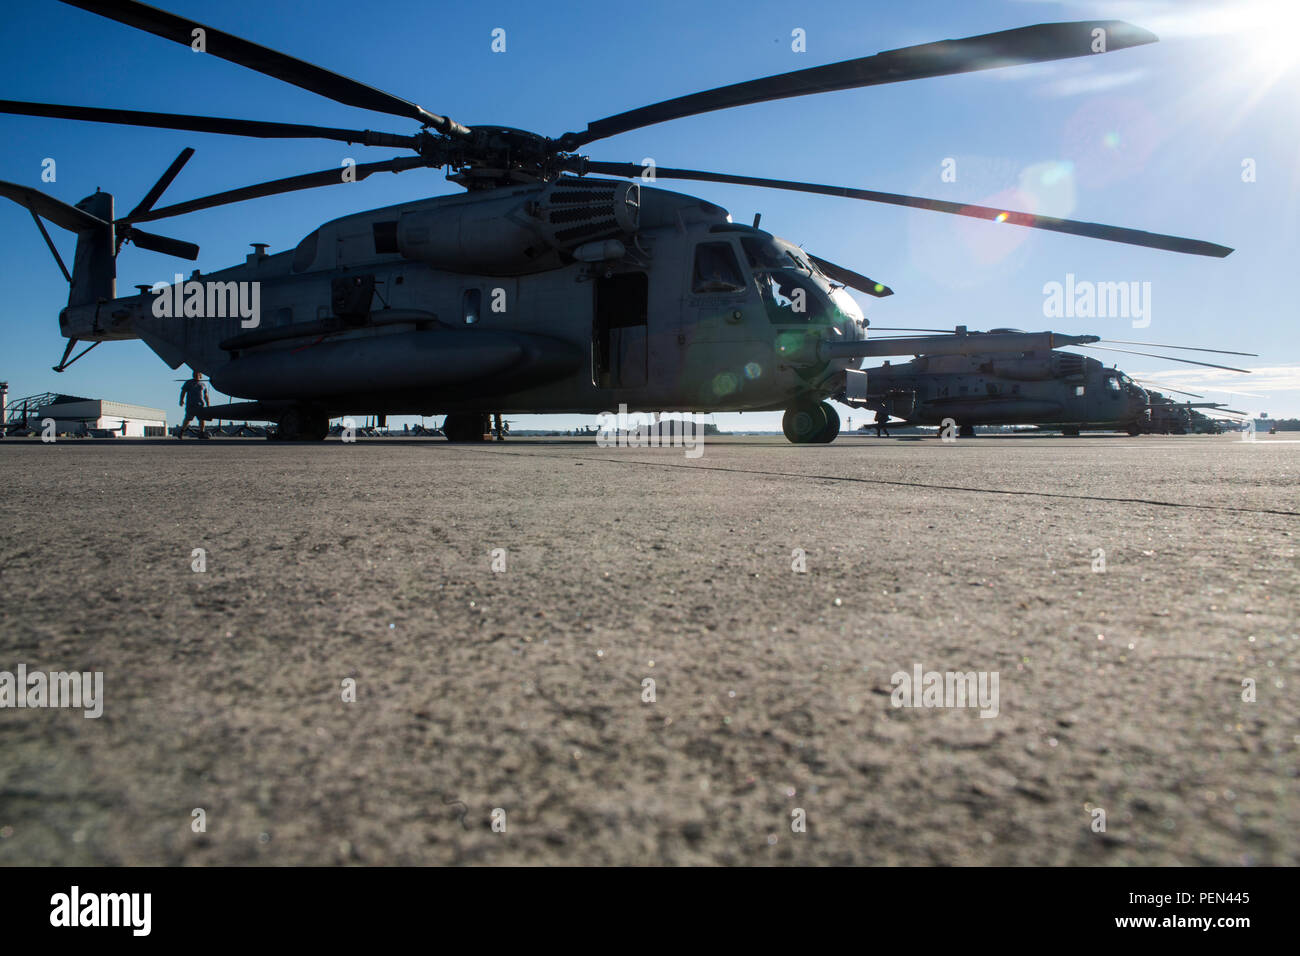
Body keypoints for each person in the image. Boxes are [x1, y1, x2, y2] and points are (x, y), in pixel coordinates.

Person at [178, 370, 210, 439]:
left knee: (202, 419)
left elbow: (205, 395)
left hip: (200, 405)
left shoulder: (203, 384)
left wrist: (208, 403)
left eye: (197, 374)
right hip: (191, 404)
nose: (195, 375)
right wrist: (181, 400)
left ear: (200, 375)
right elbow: (183, 391)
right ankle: (181, 431)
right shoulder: (188, 382)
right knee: (188, 419)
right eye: (194, 374)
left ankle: (201, 433)